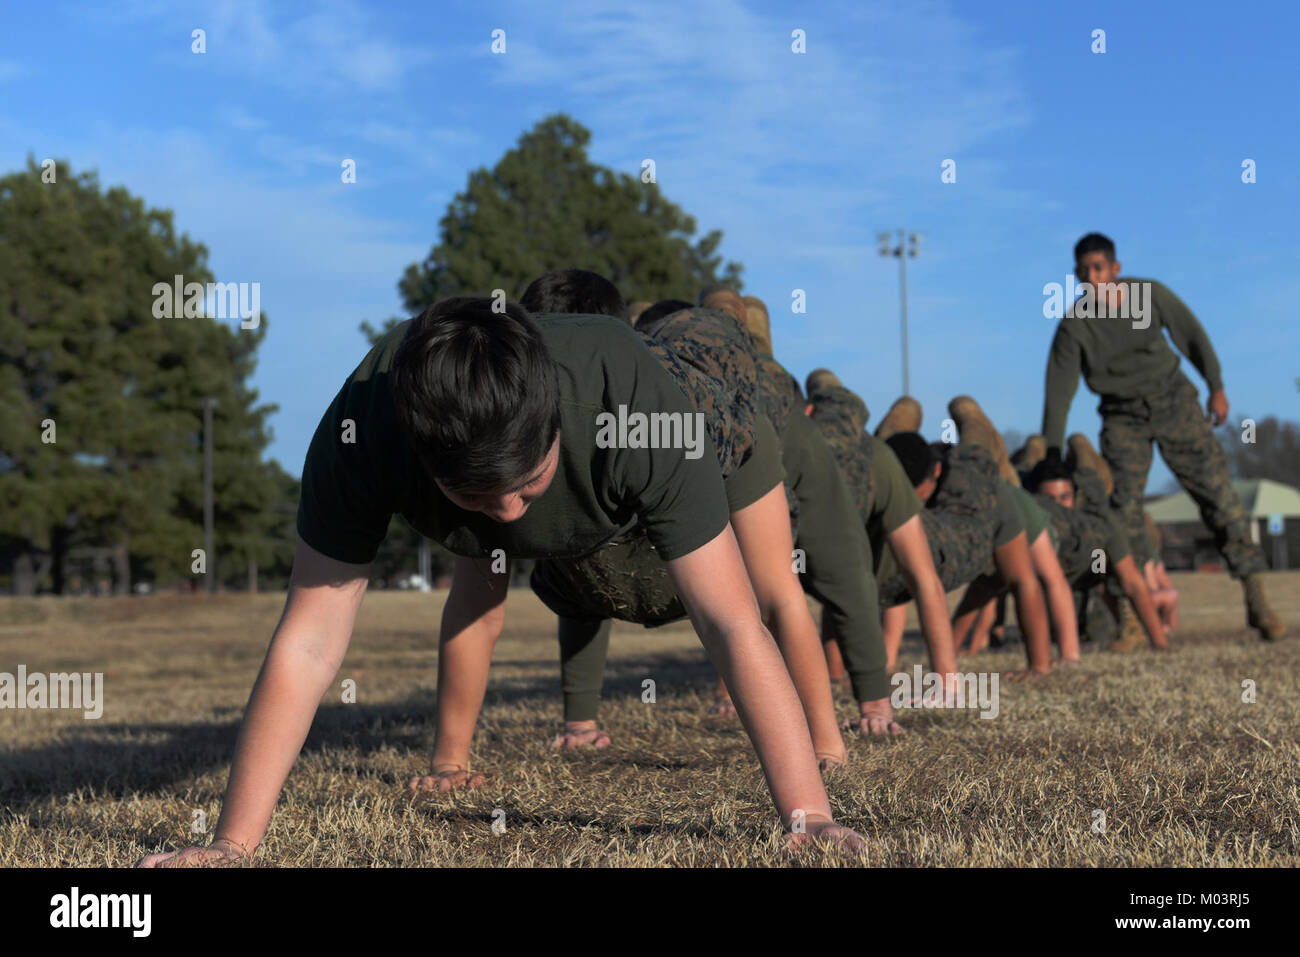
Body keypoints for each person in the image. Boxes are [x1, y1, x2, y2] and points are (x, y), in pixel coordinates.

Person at [136, 291, 865, 866]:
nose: (511, 513)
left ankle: (732, 323)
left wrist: (809, 814)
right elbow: (309, 639)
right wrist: (232, 844)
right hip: (558, 446)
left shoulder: (627, 392)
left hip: (707, 397)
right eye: (482, 499)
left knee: (730, 371)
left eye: (528, 482)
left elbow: (732, 624)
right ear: (424, 459)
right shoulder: (362, 428)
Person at [1041, 232, 1283, 640]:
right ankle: (1131, 619)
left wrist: (1216, 386)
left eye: (1098, 268)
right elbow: (1058, 395)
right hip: (1122, 418)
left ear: (1115, 269)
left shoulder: (1147, 295)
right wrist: (1050, 456)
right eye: (1082, 272)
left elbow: (1192, 335)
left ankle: (1257, 601)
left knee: (1220, 499)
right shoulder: (1074, 325)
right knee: (1123, 513)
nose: (1091, 278)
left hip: (1175, 404)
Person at [801, 370, 958, 703]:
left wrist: (726, 693)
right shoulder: (878, 457)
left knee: (838, 575)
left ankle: (835, 673)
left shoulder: (789, 445)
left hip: (823, 540)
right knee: (852, 573)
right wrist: (947, 681)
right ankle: (841, 673)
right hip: (864, 509)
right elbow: (924, 578)